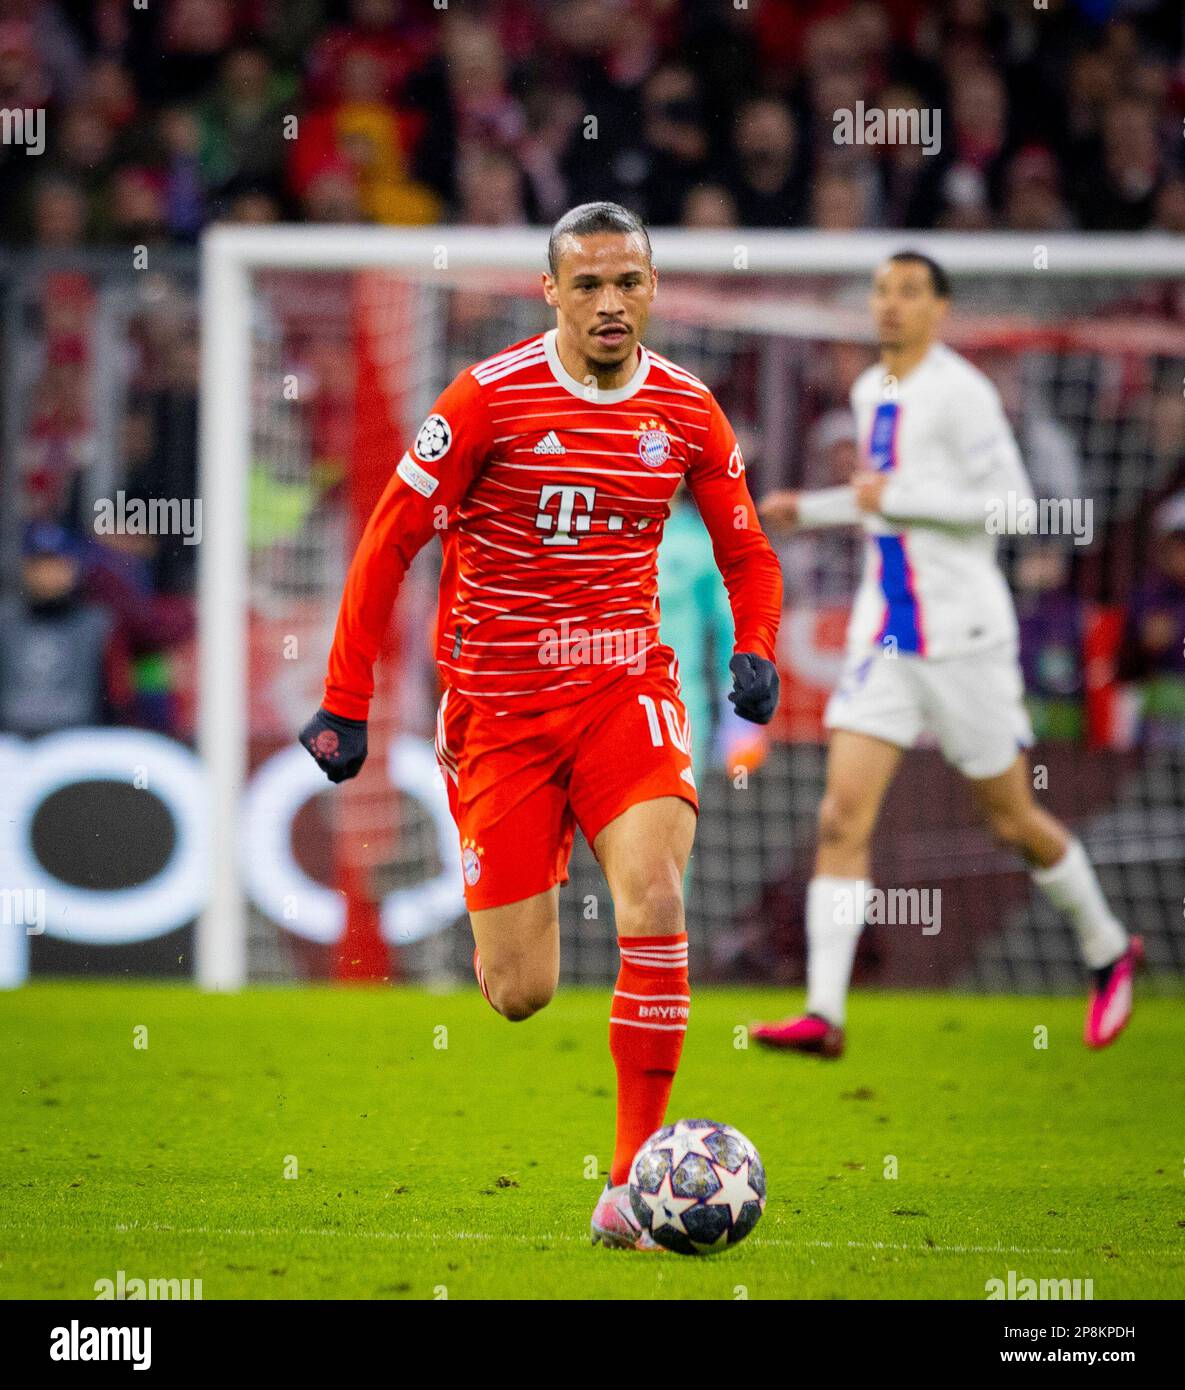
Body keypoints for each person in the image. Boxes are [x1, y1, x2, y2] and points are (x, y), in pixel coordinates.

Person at [299, 202, 782, 1248]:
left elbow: (747, 550)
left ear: (653, 288)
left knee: (656, 891)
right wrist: (344, 698)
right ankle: (534, 868)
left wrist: (757, 644)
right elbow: (387, 544)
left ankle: (629, 1186)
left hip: (626, 692)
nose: (612, 303)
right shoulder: (486, 400)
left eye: (630, 282)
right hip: (502, 713)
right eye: (591, 284)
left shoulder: (690, 411)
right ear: (551, 292)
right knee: (519, 991)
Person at [751, 251, 1139, 1058]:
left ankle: (1108, 948)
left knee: (1009, 821)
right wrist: (811, 510)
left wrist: (891, 499)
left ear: (939, 309)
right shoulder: (868, 391)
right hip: (882, 638)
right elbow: (880, 504)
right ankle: (824, 1012)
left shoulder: (962, 393)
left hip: (961, 639)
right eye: (882, 291)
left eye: (909, 292)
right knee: (839, 817)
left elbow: (1012, 509)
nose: (889, 305)